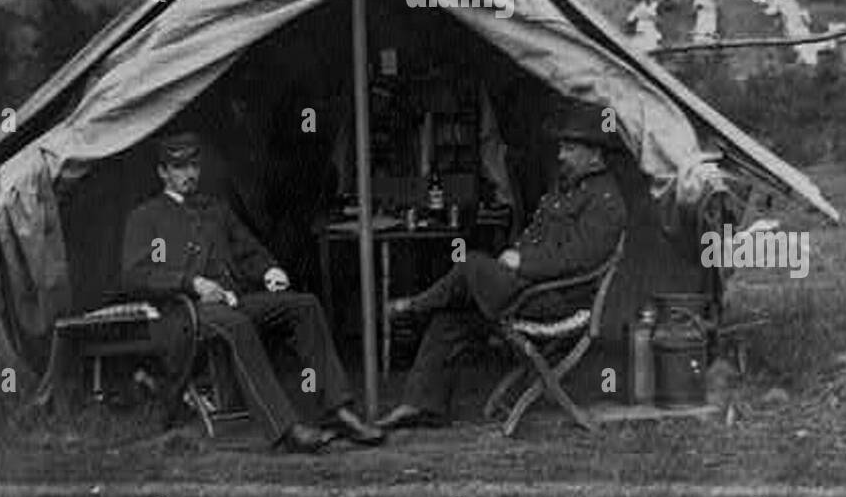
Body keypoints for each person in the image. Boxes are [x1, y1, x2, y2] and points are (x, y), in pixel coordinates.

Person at [121, 131, 384, 453]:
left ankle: (337, 409)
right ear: (163, 172)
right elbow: (136, 275)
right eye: (179, 167)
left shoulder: (216, 209)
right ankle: (285, 429)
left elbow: (248, 251)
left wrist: (269, 270)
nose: (189, 174)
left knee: (304, 305)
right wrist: (190, 283)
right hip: (182, 313)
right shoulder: (146, 217)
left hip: (233, 301)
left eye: (193, 166)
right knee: (238, 325)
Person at [376, 102, 627, 431]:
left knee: (471, 264)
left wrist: (522, 262)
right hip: (530, 288)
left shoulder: (606, 201)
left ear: (594, 153)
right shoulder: (565, 189)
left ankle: (414, 306)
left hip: (558, 300)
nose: (561, 155)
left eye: (569, 148)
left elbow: (579, 259)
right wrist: (515, 260)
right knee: (452, 315)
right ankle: (421, 406)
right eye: (561, 148)